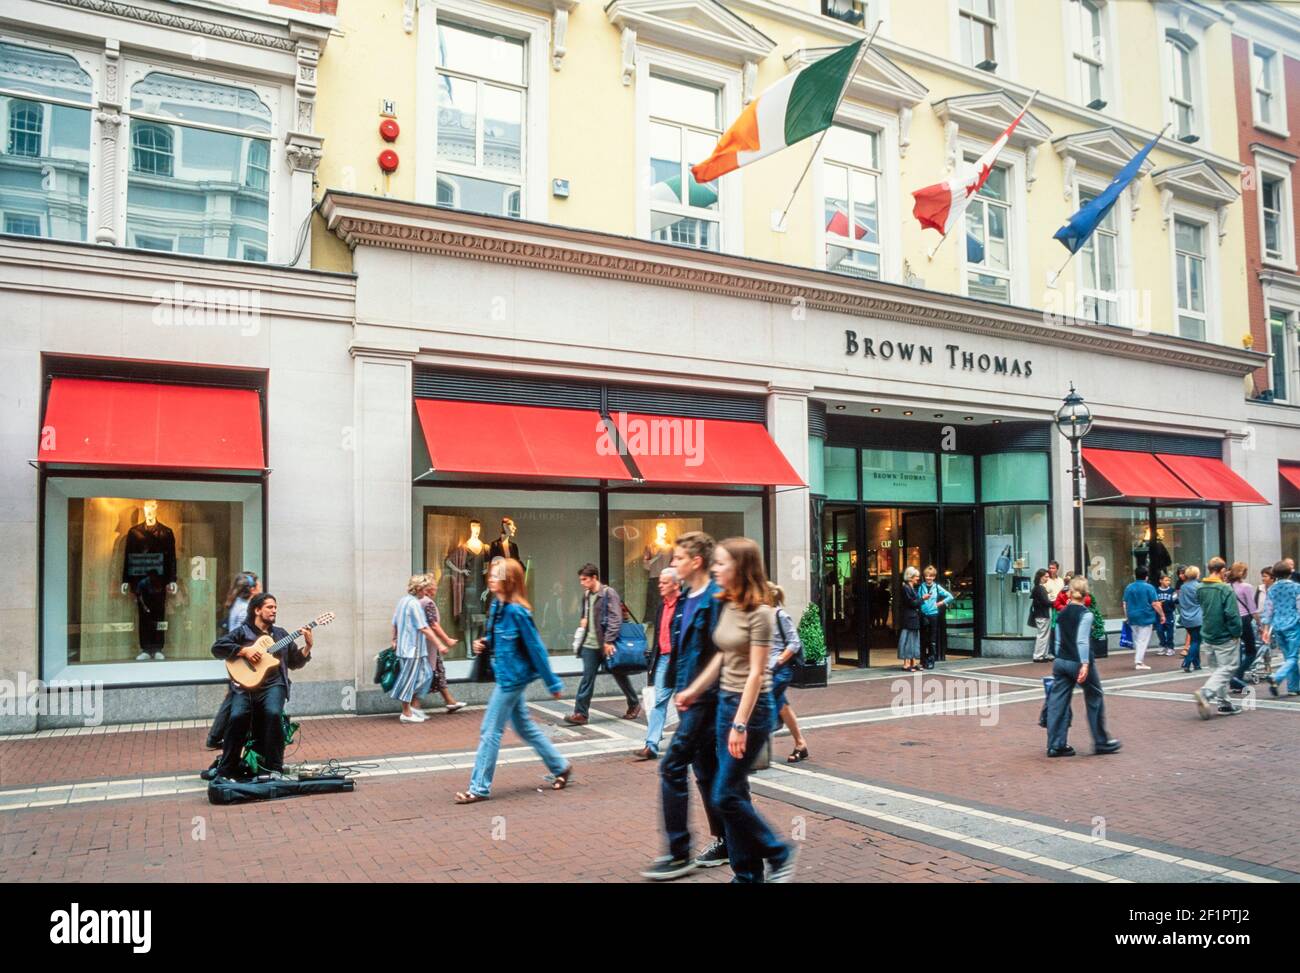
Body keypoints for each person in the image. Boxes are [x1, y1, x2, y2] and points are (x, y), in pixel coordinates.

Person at [675, 537, 795, 883]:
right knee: (730, 792)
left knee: (725, 792)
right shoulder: (727, 604)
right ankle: (748, 874)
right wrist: (693, 691)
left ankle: (778, 851)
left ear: (741, 568)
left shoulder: (762, 614)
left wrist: (740, 725)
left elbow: (758, 673)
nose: (716, 568)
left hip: (752, 709)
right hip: (726, 705)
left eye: (723, 563)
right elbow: (723, 656)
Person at [642, 531, 728, 881]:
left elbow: (725, 653)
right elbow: (679, 650)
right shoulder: (685, 600)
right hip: (691, 700)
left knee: (672, 766)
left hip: (708, 702)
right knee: (708, 773)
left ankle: (679, 853)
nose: (672, 563)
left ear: (696, 561)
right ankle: (729, 840)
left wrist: (694, 689)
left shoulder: (715, 599)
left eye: (677, 558)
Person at [455, 559, 572, 803]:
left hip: (513, 679)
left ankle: (479, 787)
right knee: (524, 727)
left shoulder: (518, 611)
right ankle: (560, 766)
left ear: (509, 581)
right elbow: (496, 638)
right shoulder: (497, 607)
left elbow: (537, 648)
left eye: (496, 575)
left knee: (490, 730)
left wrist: (553, 684)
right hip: (505, 674)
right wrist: (485, 642)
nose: (491, 578)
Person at [209, 593, 313, 778]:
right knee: (237, 717)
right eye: (270, 607)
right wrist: (243, 650)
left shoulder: (281, 634)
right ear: (257, 610)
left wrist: (307, 647)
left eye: (275, 607)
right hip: (245, 687)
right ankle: (226, 769)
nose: (274, 610)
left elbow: (295, 662)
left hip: (274, 684)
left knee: (273, 714)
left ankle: (274, 769)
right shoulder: (243, 632)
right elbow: (217, 648)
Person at [1044, 578, 1121, 758]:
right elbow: (1081, 640)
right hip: (1078, 661)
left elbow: (1057, 640)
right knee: (1094, 695)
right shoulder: (1086, 614)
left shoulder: (1062, 613)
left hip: (1061, 661)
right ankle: (1101, 741)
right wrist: (1085, 664)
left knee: (1058, 702)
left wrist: (1058, 657)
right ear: (1086, 595)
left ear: (1069, 593)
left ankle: (1055, 745)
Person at [566, 563, 641, 725]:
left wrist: (609, 641)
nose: (582, 582)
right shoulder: (586, 595)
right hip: (590, 645)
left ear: (594, 577)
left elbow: (616, 618)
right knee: (587, 677)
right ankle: (581, 713)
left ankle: (634, 703)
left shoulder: (608, 593)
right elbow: (585, 616)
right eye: (580, 579)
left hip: (605, 644)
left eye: (585, 579)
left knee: (619, 673)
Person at [205, 570, 262, 753]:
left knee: (233, 695)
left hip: (237, 658)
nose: (261, 588)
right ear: (252, 589)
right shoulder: (244, 609)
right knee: (237, 696)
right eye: (259, 585)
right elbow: (241, 637)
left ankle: (216, 737)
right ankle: (220, 737)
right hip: (241, 659)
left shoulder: (238, 604)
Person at [635, 567, 680, 761]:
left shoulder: (684, 605)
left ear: (676, 585)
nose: (659, 585)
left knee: (691, 704)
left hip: (682, 660)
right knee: (659, 702)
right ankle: (651, 744)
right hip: (663, 659)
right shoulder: (662, 606)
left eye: (664, 582)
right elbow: (659, 637)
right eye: (660, 582)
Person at [1193, 557, 1243, 718]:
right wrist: (1236, 633)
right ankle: (1206, 693)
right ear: (1222, 571)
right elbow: (1232, 615)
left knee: (1216, 670)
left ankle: (1224, 703)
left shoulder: (1200, 588)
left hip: (1208, 634)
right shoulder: (1225, 589)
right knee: (1228, 668)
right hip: (1224, 636)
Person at [768, 583, 810, 763]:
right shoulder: (760, 616)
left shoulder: (781, 616)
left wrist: (778, 661)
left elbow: (794, 643)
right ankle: (801, 744)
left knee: (763, 700)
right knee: (783, 707)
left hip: (780, 671)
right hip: (767, 671)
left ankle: (756, 745)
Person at [417, 573, 467, 714]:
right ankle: (413, 707)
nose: (436, 589)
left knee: (438, 672)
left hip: (427, 645)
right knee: (427, 674)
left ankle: (450, 701)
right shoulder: (428, 603)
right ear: (427, 589)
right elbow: (433, 625)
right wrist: (446, 640)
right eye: (434, 586)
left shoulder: (419, 601)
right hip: (429, 645)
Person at [390, 575, 437, 723]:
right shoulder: (413, 604)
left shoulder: (402, 601)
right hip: (412, 649)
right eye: (424, 588)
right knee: (409, 680)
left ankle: (413, 706)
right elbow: (423, 627)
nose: (426, 591)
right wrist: (440, 644)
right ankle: (406, 712)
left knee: (426, 674)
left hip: (410, 649)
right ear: (418, 589)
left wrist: (394, 639)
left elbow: (395, 622)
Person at [1263, 560, 1300, 698]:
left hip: (1277, 626)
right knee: (1293, 657)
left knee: (1288, 657)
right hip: (1293, 625)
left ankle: (1293, 687)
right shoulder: (1297, 587)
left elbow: (1268, 609)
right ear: (1290, 573)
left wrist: (1266, 628)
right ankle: (1276, 678)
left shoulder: (1272, 589)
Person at [1121, 566, 1163, 671]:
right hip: (1145, 616)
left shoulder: (1129, 587)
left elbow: (1125, 603)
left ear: (1135, 575)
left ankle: (1139, 660)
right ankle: (1139, 662)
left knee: (1137, 639)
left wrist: (1127, 616)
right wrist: (1162, 615)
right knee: (1142, 640)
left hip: (1132, 616)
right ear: (1146, 576)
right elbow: (1155, 603)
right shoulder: (1149, 587)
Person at [1227, 561, 1259, 695]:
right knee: (1252, 651)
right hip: (1244, 619)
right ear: (1242, 572)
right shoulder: (1246, 587)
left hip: (1231, 620)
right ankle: (1237, 677)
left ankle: (1237, 683)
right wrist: (1260, 623)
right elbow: (1252, 608)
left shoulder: (1226, 586)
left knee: (1237, 651)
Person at [918, 565, 953, 669]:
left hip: (933, 615)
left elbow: (950, 596)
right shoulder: (921, 587)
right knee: (923, 638)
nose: (928, 578)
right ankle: (923, 660)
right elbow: (918, 599)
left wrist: (940, 603)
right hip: (923, 615)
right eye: (926, 576)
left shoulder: (937, 587)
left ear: (934, 577)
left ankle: (931, 660)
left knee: (932, 639)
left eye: (931, 576)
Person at [1179, 565, 1204, 672]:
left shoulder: (1183, 587)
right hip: (1197, 617)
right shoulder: (1199, 586)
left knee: (1194, 639)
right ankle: (1187, 662)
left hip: (1185, 617)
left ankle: (1197, 664)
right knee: (1196, 641)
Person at [898, 566, 922, 672]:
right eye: (916, 576)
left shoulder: (911, 588)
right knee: (908, 640)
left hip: (912, 617)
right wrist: (922, 599)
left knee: (913, 639)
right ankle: (907, 664)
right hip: (909, 617)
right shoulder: (906, 588)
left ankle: (913, 662)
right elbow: (911, 603)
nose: (918, 578)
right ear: (910, 577)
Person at [1029, 568, 1053, 663]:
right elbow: (1046, 602)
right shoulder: (1040, 588)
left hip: (1040, 614)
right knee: (1043, 635)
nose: (1047, 578)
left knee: (1044, 635)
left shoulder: (1037, 588)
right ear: (1041, 577)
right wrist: (1055, 602)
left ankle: (1043, 654)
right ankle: (1038, 655)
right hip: (1042, 615)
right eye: (1046, 577)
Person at [1154, 573, 1178, 655]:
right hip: (1159, 614)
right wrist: (1158, 603)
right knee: (1159, 630)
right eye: (1166, 580)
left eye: (1169, 580)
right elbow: (1154, 602)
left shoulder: (1172, 591)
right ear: (1160, 581)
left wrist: (1174, 599)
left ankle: (1170, 647)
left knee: (1170, 631)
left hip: (1169, 613)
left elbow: (1176, 601)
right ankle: (1163, 645)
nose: (1168, 582)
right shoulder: (1156, 591)